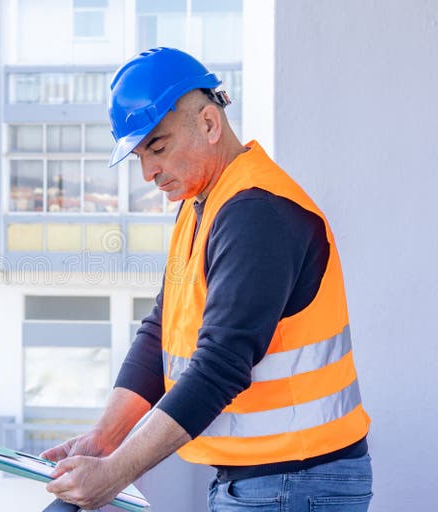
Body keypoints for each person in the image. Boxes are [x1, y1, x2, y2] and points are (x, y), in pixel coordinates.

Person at [42, 47, 372, 511]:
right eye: (139, 156)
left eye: (157, 147)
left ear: (210, 124)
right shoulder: (203, 205)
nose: (149, 173)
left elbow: (220, 365)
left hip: (295, 483)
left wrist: (115, 474)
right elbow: (162, 329)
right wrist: (104, 439)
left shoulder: (258, 213)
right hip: (263, 481)